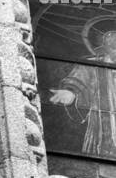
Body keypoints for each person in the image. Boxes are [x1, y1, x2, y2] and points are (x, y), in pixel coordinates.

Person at [49, 28, 116, 157]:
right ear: (106, 48)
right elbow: (78, 79)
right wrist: (70, 92)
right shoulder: (93, 64)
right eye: (113, 47)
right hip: (104, 122)